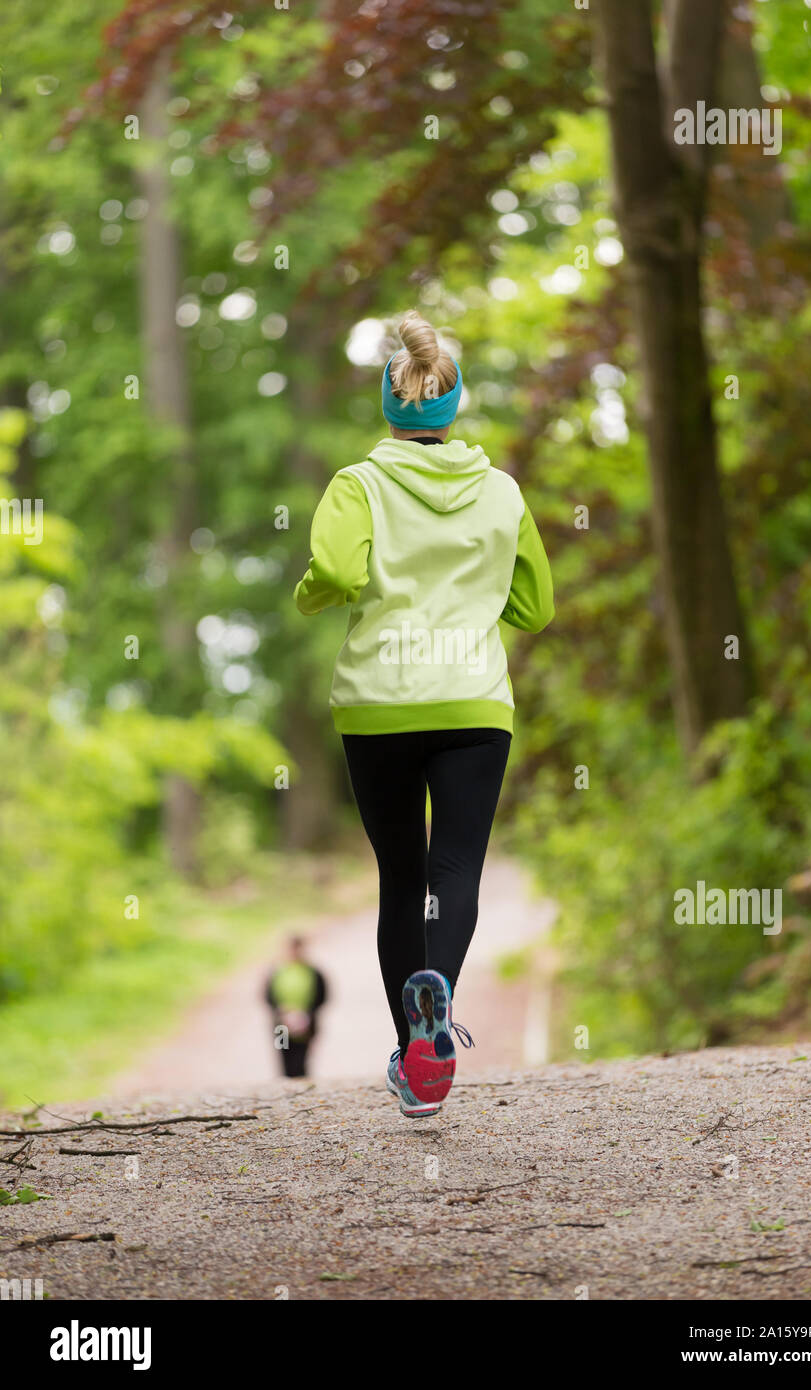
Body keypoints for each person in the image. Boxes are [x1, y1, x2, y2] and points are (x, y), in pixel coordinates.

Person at [293, 311, 554, 1117]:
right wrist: (475, 604)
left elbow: (335, 568)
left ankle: (413, 1055)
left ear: (390, 403)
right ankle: (438, 991)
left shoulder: (357, 485)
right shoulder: (503, 492)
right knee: (457, 871)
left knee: (401, 880)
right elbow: (536, 605)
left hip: (379, 707)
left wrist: (317, 593)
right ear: (453, 403)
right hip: (474, 705)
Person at [265, 936, 327, 1078]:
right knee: (284, 1055)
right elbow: (268, 996)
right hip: (281, 1023)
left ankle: (302, 1083)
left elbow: (322, 995)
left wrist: (307, 1013)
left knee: (302, 1056)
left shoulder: (312, 971)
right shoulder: (277, 971)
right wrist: (282, 1011)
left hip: (307, 1022)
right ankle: (286, 1085)